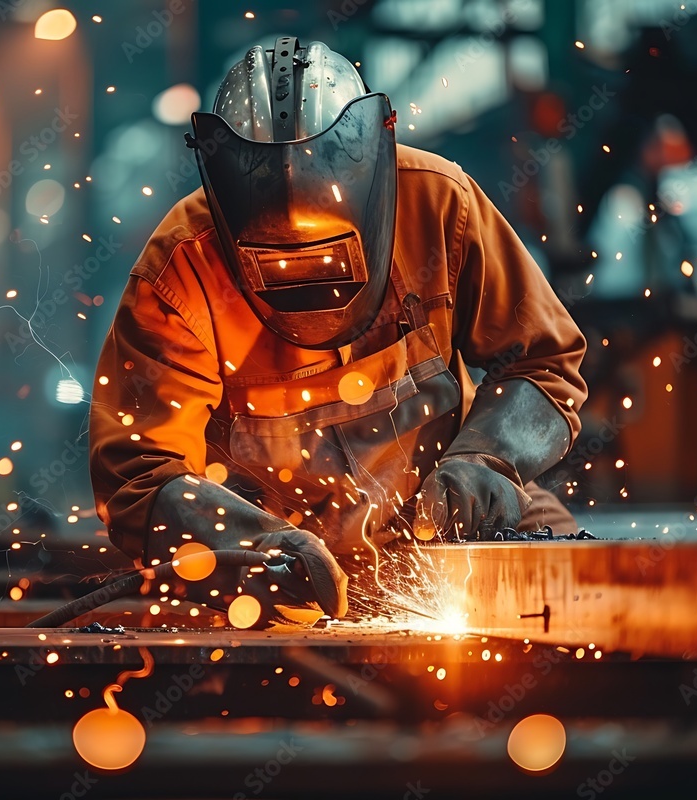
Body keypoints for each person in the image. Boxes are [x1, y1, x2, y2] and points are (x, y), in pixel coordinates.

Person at [89, 36, 587, 627]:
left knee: (582, 605)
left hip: (461, 542)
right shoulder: (181, 271)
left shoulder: (438, 203)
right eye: (277, 257)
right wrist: (255, 549)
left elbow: (545, 361)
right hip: (292, 586)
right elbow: (140, 477)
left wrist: (486, 462)